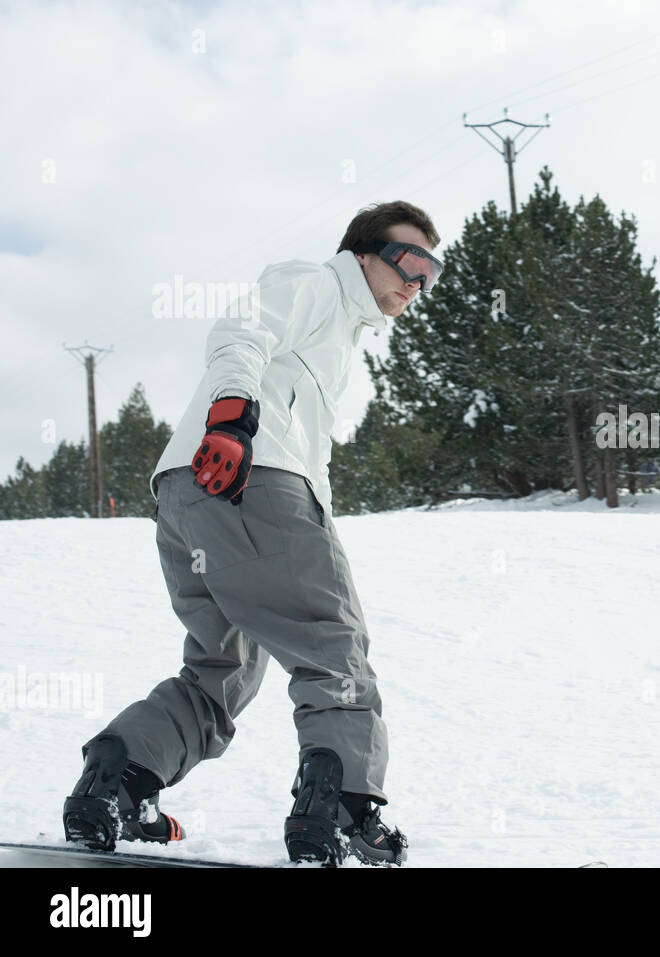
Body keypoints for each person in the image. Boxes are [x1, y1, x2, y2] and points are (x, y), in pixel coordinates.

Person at [62, 201, 443, 867]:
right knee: (332, 641)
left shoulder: (339, 335)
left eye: (431, 273)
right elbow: (241, 332)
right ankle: (342, 804)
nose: (418, 283)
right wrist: (233, 416)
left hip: (189, 493)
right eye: (410, 262)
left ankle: (120, 777)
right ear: (364, 252)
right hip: (243, 469)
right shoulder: (318, 283)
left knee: (221, 666)